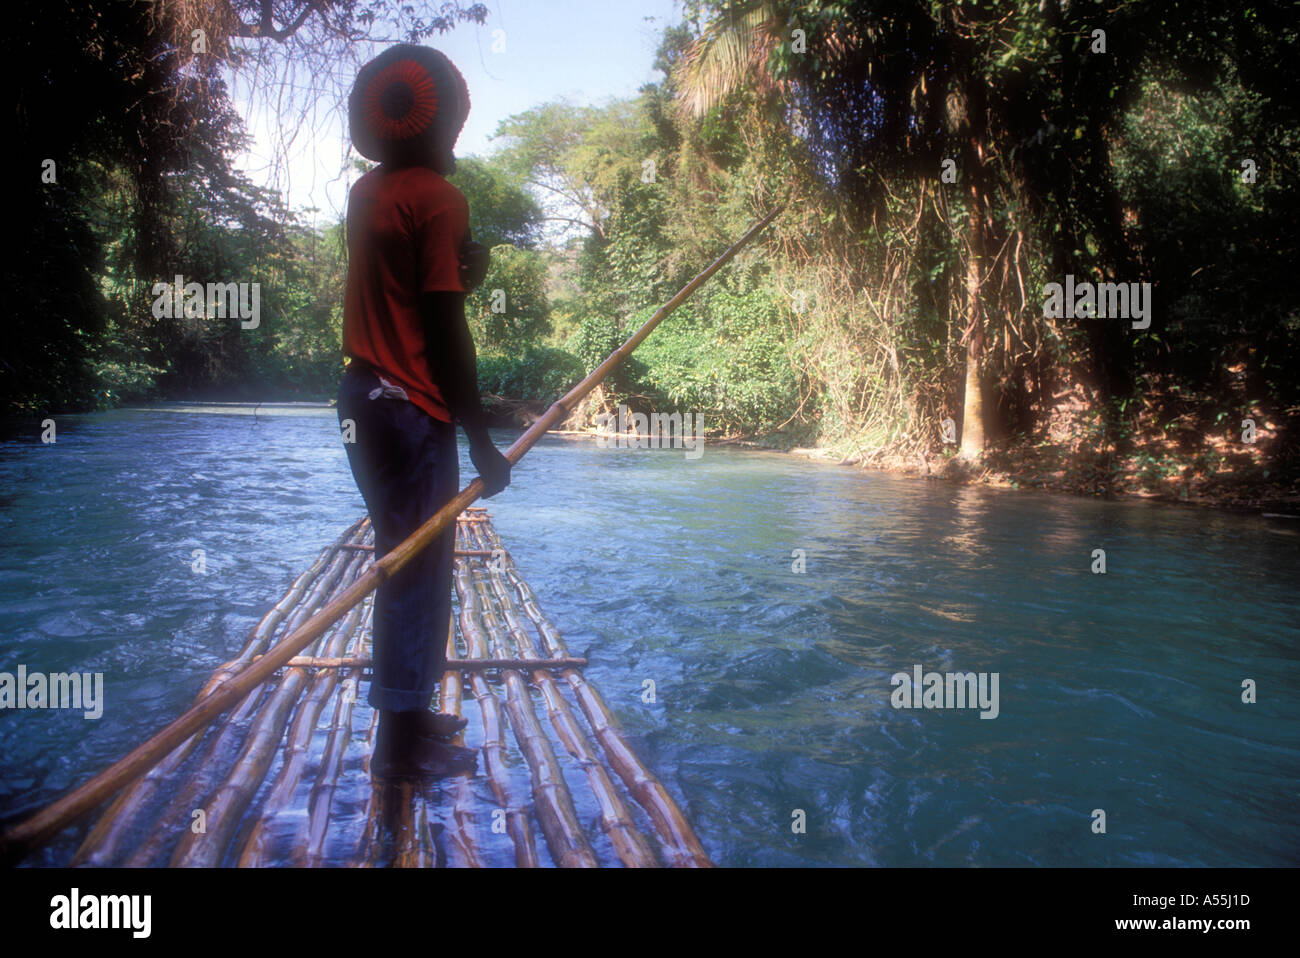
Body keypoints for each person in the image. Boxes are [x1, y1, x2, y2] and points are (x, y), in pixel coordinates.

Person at [338, 44, 511, 781]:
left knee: (399, 556)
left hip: (361, 402)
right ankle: (398, 747)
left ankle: (407, 714)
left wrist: (465, 269)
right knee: (420, 567)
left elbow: (406, 294)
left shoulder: (365, 195)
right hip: (411, 409)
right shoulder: (441, 200)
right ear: (441, 128)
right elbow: (443, 330)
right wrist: (480, 440)